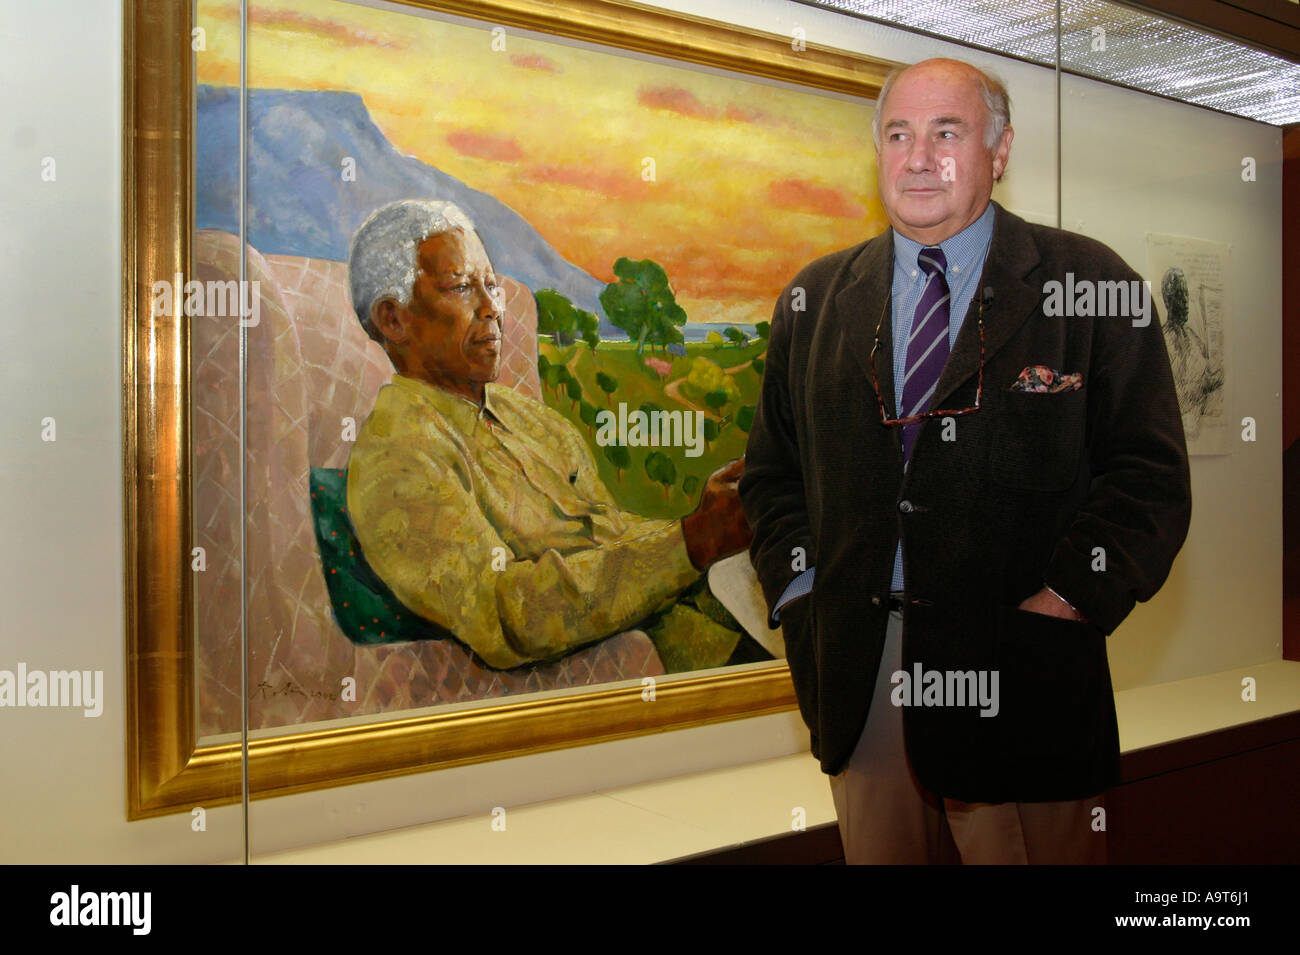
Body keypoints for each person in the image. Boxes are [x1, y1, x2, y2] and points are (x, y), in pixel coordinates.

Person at [739, 58, 1191, 864]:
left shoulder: (1092, 287)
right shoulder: (812, 301)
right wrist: (805, 593)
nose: (918, 157)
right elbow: (773, 474)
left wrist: (1064, 606)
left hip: (1023, 677)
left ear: (1000, 148)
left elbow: (1148, 482)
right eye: (898, 134)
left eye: (947, 133)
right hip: (861, 680)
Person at [344, 199, 752, 671]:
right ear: (394, 319)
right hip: (658, 662)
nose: (491, 309)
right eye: (460, 288)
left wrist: (724, 527)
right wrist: (692, 541)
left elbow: (612, 533)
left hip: (708, 615)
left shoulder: (535, 422)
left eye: (491, 287)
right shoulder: (397, 456)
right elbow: (504, 612)